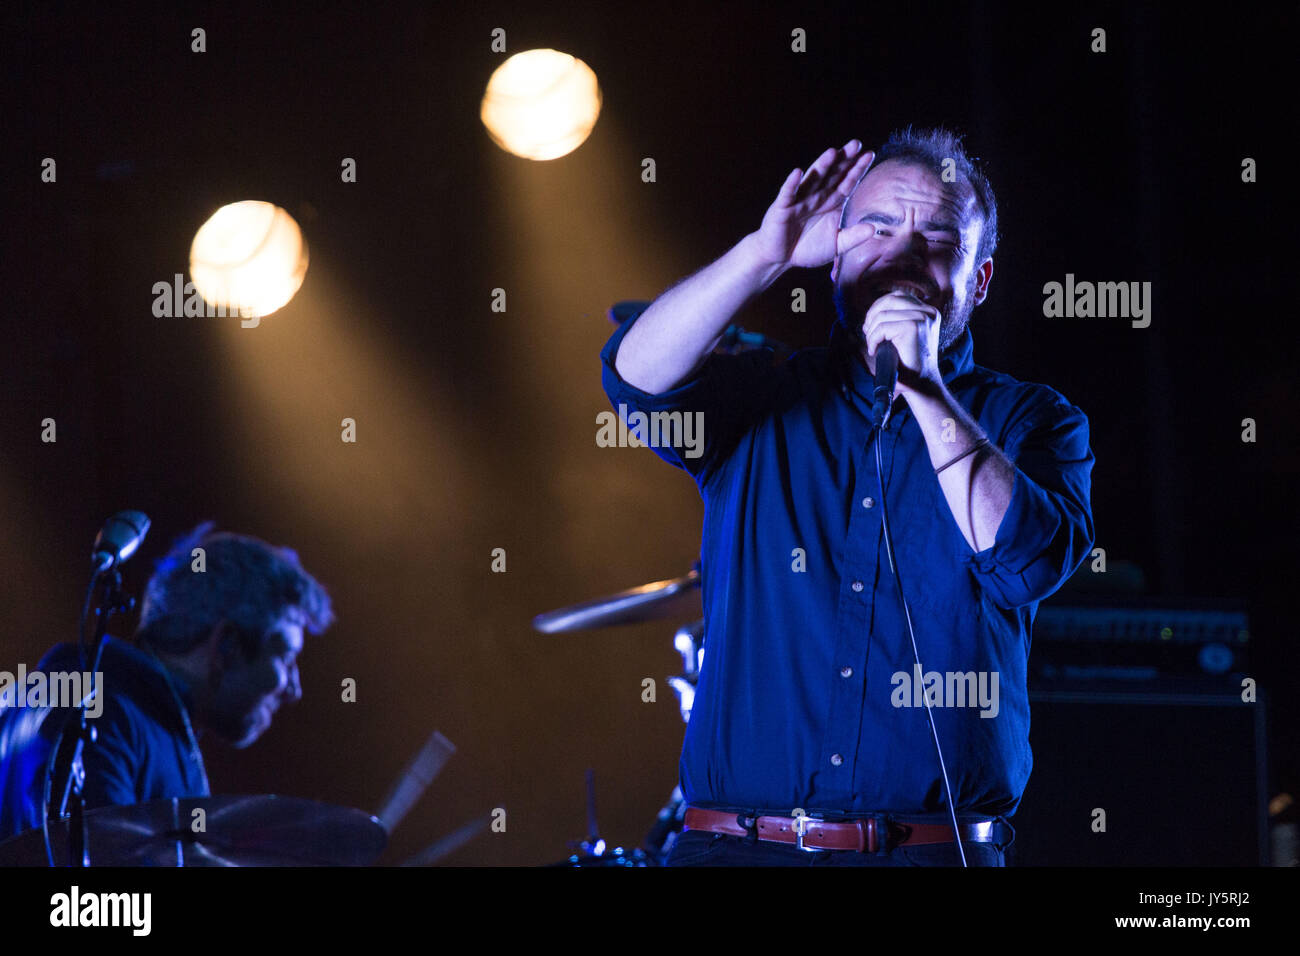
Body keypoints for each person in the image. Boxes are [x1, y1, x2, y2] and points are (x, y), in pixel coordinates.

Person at [601, 126, 1095, 866]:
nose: (903, 251)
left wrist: (925, 388)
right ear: (834, 251)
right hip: (736, 850)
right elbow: (635, 377)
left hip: (927, 853)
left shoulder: (1032, 419)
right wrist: (761, 255)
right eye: (877, 224)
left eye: (937, 236)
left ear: (979, 279)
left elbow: (1025, 561)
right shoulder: (763, 397)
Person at [0, 522, 333, 844]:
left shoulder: (50, 692)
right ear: (227, 646)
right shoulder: (119, 717)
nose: (293, 688)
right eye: (285, 657)